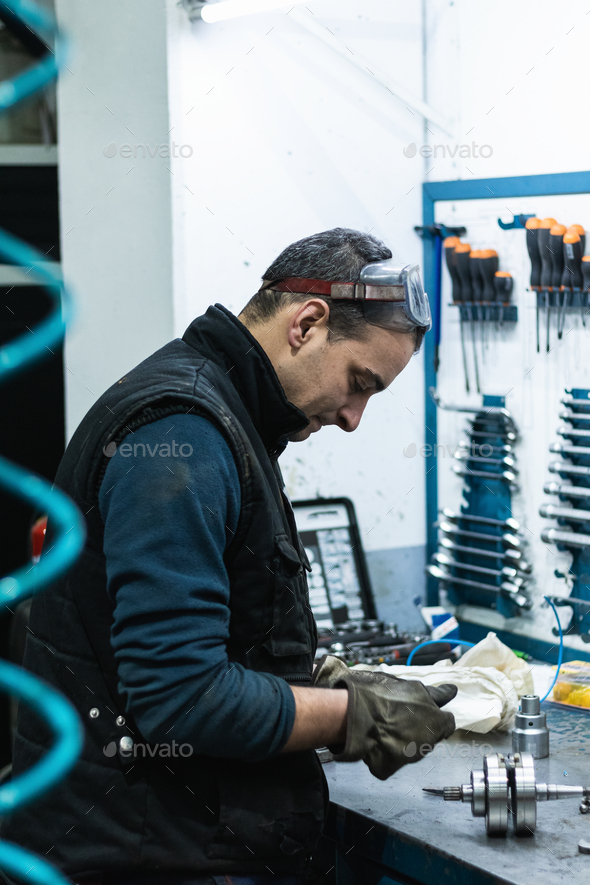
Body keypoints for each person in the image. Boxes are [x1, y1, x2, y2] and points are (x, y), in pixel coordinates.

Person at [2, 228, 456, 885]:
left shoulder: (223, 417)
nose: (354, 416)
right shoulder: (183, 432)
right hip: (146, 857)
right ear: (307, 323)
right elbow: (181, 698)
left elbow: (210, 636)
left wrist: (306, 678)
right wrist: (350, 714)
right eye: (359, 382)